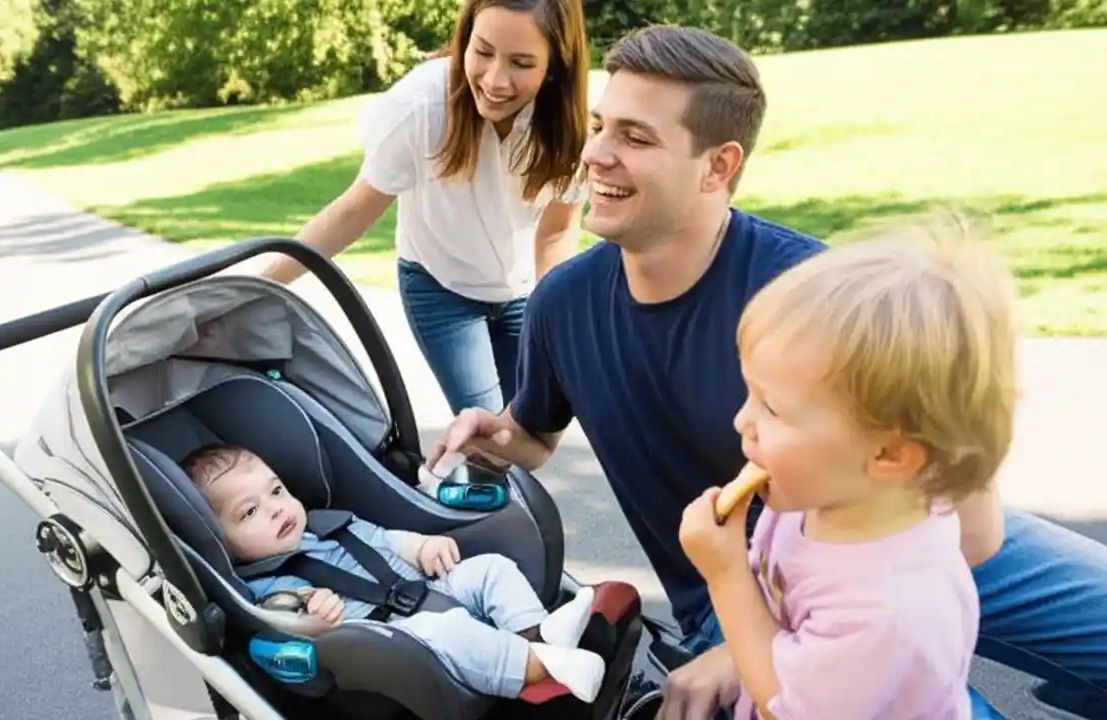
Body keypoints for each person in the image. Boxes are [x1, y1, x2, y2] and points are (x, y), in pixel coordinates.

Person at [424, 24, 1107, 719]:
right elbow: (533, 435)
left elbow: (974, 523)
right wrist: (495, 435)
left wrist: (909, 598)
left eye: (634, 137)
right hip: (744, 591)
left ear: (718, 165)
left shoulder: (814, 290)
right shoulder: (562, 304)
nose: (595, 152)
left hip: (920, 534)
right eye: (601, 125)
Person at [679, 226, 1014, 718]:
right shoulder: (826, 499)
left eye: (771, 408)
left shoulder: (889, 607)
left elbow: (787, 708)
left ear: (891, 455)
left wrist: (726, 575)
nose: (741, 421)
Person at [259, 0, 592, 416]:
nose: (494, 80)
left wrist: (552, 321)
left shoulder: (572, 126)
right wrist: (257, 288)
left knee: (529, 424)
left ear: (556, 65)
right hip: (440, 286)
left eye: (521, 62)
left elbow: (558, 232)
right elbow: (353, 211)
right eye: (483, 51)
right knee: (486, 427)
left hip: (521, 290)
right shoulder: (422, 106)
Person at [179, 443, 607, 702]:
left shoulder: (327, 523)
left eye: (276, 491)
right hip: (390, 635)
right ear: (220, 539)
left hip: (423, 585)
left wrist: (421, 546)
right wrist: (312, 615)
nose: (276, 508)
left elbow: (384, 538)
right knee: (451, 630)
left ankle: (538, 633)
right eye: (250, 511)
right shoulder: (264, 585)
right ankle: (538, 669)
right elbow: (285, 620)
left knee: (490, 569)